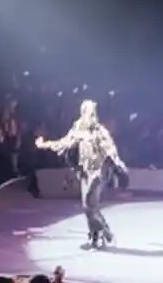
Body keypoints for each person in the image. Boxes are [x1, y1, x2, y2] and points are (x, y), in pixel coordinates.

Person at [35, 99, 126, 248]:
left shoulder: (100, 131)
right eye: (87, 112)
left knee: (90, 202)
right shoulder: (78, 128)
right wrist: (44, 144)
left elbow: (111, 150)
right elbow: (63, 143)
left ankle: (104, 230)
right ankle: (96, 234)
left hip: (99, 172)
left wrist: (120, 166)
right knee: (87, 207)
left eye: (92, 112)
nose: (90, 115)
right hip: (84, 171)